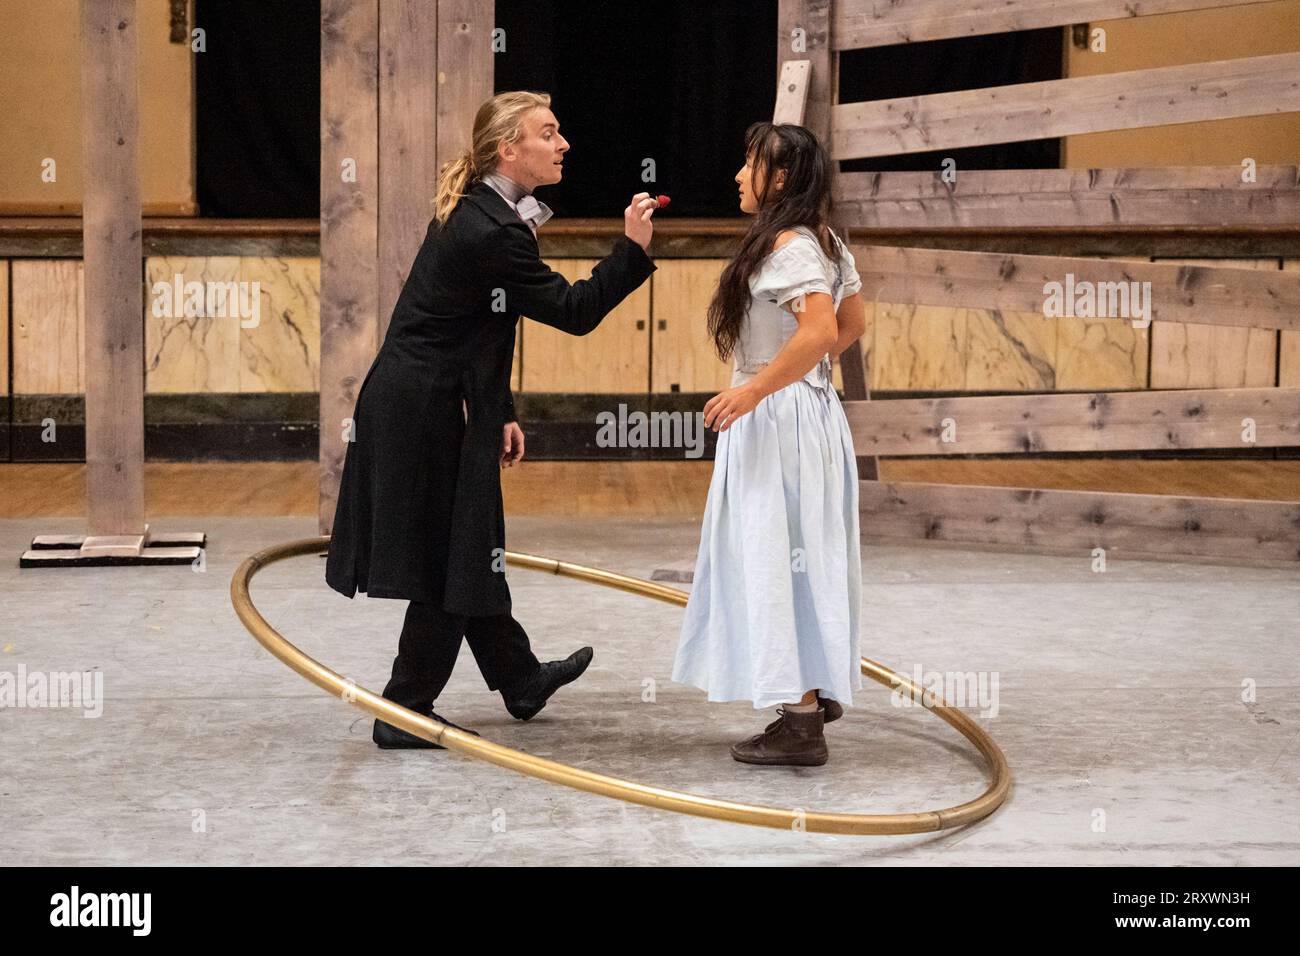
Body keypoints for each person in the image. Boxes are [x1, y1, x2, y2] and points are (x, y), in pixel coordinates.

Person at [326, 91, 660, 748]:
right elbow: (573, 310)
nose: (563, 144)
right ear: (510, 148)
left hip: (434, 397)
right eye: (549, 132)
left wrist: (497, 410)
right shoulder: (490, 229)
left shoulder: (485, 212)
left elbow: (481, 326)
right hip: (423, 407)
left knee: (469, 546)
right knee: (452, 554)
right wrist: (633, 250)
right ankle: (405, 711)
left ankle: (519, 676)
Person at [671, 121, 867, 767]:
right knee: (798, 554)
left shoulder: (792, 246)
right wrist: (800, 379)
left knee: (772, 558)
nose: (736, 176)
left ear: (778, 177)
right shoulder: (824, 240)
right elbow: (851, 322)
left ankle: (802, 718)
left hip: (779, 420)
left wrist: (759, 389)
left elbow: (818, 330)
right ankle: (813, 687)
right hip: (803, 413)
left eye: (748, 164)